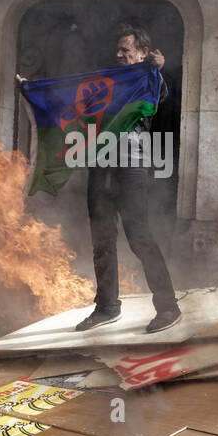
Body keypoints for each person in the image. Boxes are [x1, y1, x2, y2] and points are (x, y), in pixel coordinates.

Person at [68, 24, 180, 334]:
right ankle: (107, 307)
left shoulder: (149, 81)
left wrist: (158, 68)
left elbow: (162, 91)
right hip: (100, 168)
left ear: (143, 53)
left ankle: (168, 306)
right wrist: (36, 90)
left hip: (131, 168)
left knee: (139, 237)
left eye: (125, 50)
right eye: (117, 49)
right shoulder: (106, 85)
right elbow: (72, 103)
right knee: (102, 241)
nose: (118, 54)